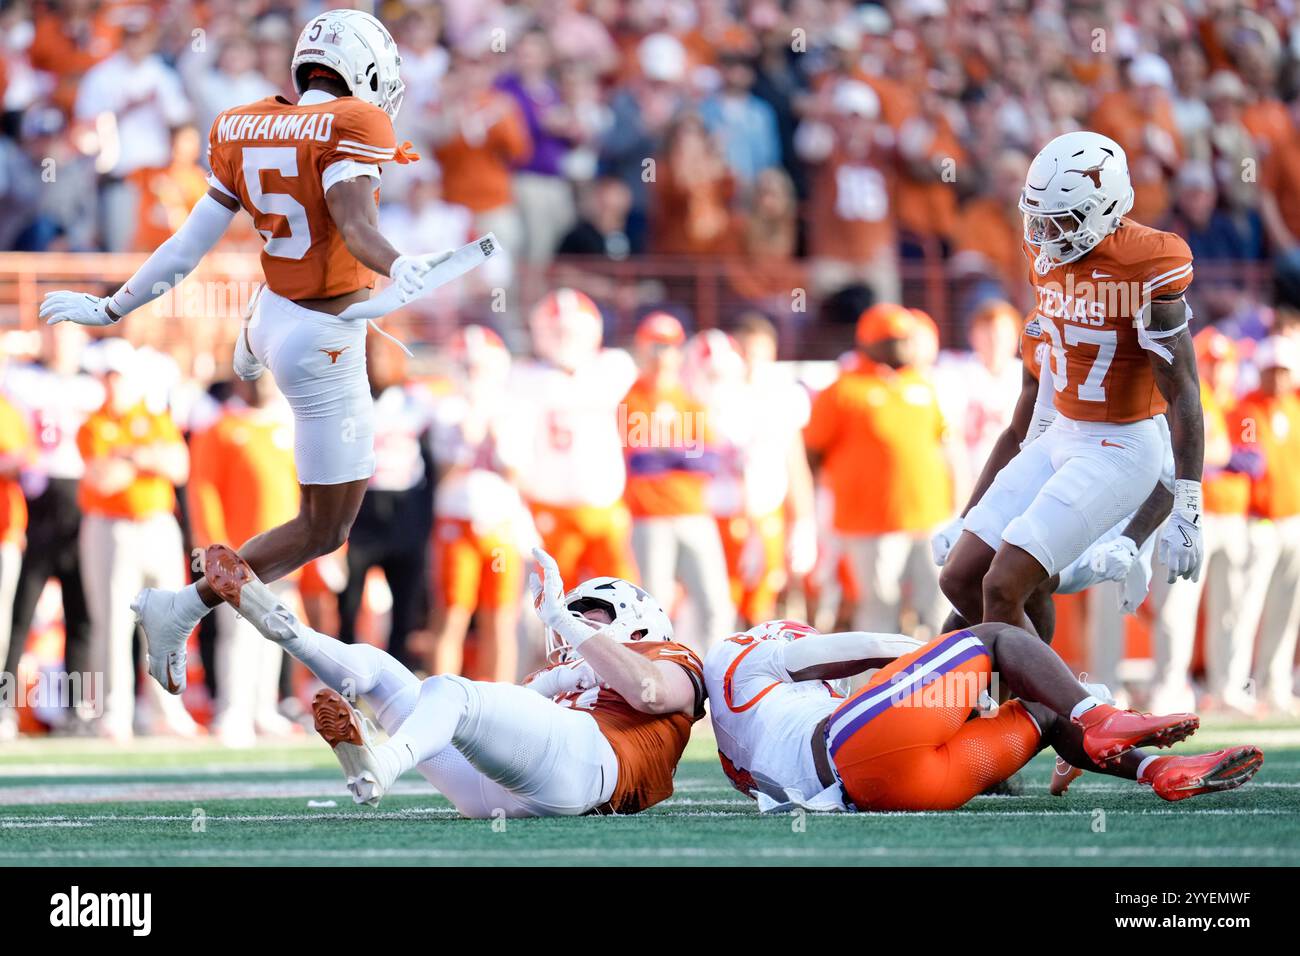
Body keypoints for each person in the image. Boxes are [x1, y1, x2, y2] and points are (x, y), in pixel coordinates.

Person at [41, 10, 463, 700]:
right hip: (321, 337)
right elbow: (356, 226)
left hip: (274, 313)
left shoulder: (243, 123)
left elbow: (186, 247)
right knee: (325, 529)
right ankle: (182, 605)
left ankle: (247, 344)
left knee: (296, 343)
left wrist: (112, 306)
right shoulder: (354, 125)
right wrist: (400, 264)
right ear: (365, 72)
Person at [201, 544, 705, 817]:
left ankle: (382, 761)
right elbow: (500, 713)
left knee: (450, 691)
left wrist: (565, 623)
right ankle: (289, 631)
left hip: (592, 773)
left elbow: (650, 691)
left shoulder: (671, 658)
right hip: (500, 792)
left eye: (590, 615)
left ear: (635, 623)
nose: (575, 626)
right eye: (572, 616)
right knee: (381, 671)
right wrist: (558, 673)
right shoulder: (563, 675)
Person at [939, 131, 1204, 638]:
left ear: (1107, 207)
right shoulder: (1046, 262)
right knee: (961, 577)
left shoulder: (1147, 262)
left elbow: (1182, 391)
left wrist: (1188, 505)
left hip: (1119, 445)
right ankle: (1018, 693)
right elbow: (1035, 396)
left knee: (1004, 586)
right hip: (1063, 432)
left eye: (1063, 218)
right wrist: (969, 514)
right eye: (1037, 216)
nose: (1045, 231)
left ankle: (1052, 711)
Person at [705, 619, 1262, 813]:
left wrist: (965, 692)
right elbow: (866, 645)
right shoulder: (738, 657)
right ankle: (1099, 718)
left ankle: (1154, 770)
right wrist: (945, 650)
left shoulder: (746, 736)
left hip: (896, 789)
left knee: (1045, 709)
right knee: (995, 638)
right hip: (848, 748)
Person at [804, 303, 953, 637]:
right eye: (897, 339)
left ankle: (942, 685)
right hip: (871, 525)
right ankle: (873, 686)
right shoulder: (842, 390)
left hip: (929, 519)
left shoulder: (922, 384)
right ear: (873, 342)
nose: (906, 346)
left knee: (939, 611)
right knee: (879, 612)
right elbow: (812, 452)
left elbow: (942, 445)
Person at [75, 340, 195, 740]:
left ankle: (168, 707)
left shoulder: (154, 416)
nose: (114, 385)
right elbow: (102, 479)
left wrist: (128, 456)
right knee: (113, 622)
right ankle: (115, 711)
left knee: (169, 621)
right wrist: (143, 458)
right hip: (111, 527)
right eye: (107, 377)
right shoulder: (93, 424)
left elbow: (178, 465)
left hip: (158, 523)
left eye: (119, 377)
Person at [186, 375, 299, 746]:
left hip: (284, 551)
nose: (265, 383)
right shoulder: (220, 428)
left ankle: (263, 707)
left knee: (276, 632)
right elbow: (203, 489)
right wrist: (213, 545)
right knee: (237, 634)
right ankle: (233, 709)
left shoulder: (288, 425)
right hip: (240, 550)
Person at [506, 289, 638, 586]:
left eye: (572, 332)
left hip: (604, 506)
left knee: (623, 598)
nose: (565, 339)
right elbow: (513, 446)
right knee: (556, 602)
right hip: (551, 507)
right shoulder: (525, 377)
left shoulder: (613, 367)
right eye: (557, 331)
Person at [622, 312, 733, 649]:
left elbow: (710, 460)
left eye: (668, 346)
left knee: (716, 605)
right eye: (654, 346)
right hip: (650, 517)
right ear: (640, 348)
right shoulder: (632, 397)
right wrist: (683, 453)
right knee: (655, 611)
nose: (661, 354)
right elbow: (641, 462)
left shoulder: (689, 399)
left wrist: (667, 452)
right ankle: (660, 684)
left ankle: (717, 683)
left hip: (693, 513)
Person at [428, 325, 533, 681]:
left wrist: (498, 445)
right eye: (468, 366)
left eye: (480, 366)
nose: (474, 374)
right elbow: (443, 477)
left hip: (502, 526)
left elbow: (517, 476)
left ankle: (499, 701)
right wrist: (466, 443)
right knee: (452, 614)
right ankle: (439, 695)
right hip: (457, 522)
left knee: (501, 618)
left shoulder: (512, 408)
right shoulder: (446, 409)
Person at [336, 334, 435, 669]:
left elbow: (432, 462)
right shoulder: (347, 399)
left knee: (405, 603)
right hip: (360, 511)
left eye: (382, 354)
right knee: (348, 602)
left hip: (405, 510)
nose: (376, 362)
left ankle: (399, 680)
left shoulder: (415, 400)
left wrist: (425, 520)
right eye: (369, 354)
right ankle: (346, 681)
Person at [1226, 336, 1300, 716]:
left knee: (1287, 611)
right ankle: (1238, 685)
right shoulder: (1249, 409)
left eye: (1284, 371)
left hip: (1293, 521)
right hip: (1262, 521)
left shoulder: (1294, 407)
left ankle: (1276, 684)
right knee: (1247, 608)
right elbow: (1250, 459)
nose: (1279, 378)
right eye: (1273, 370)